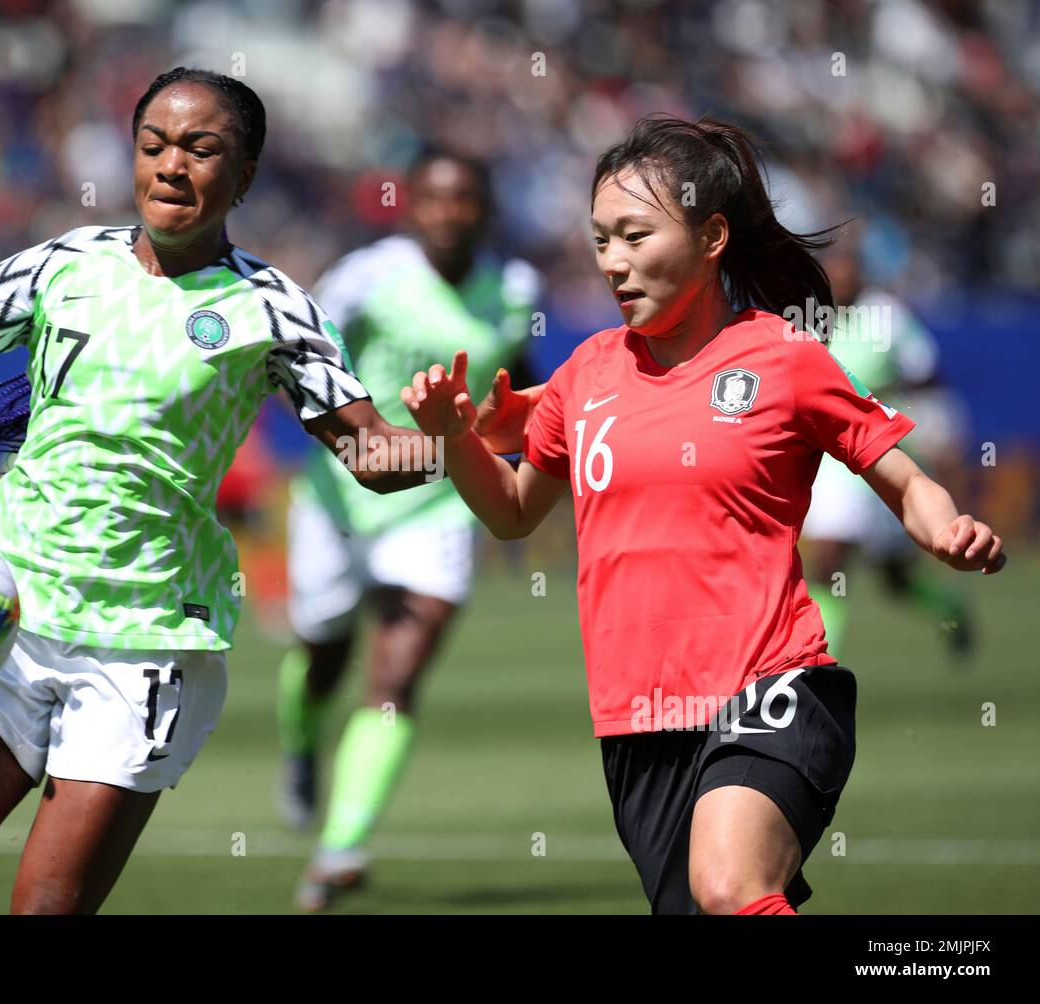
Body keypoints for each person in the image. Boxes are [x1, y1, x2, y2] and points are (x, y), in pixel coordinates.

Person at [0, 66, 438, 915]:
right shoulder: (60, 264)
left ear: (245, 176)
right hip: (3, 618)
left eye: (200, 149)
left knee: (45, 911)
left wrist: (454, 447)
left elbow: (370, 452)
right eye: (153, 146)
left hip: (143, 644)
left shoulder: (273, 309)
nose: (171, 167)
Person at [401, 115, 1005, 915]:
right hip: (638, 716)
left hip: (773, 685)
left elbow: (896, 471)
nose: (613, 261)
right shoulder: (588, 373)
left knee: (728, 889)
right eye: (600, 239)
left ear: (712, 234)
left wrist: (944, 527)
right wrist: (452, 439)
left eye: (635, 235)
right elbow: (513, 512)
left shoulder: (784, 358)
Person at [276, 148, 541, 911]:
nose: (448, 212)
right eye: (433, 197)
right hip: (340, 498)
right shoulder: (367, 278)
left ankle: (339, 848)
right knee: (325, 653)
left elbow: (515, 386)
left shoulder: (515, 288)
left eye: (464, 199)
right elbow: (300, 356)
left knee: (394, 680)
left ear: (485, 210)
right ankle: (301, 747)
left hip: (437, 503)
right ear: (409, 205)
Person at [801, 240, 975, 660]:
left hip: (872, 452)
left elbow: (928, 374)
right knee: (877, 575)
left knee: (834, 562)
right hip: (827, 458)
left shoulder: (887, 316)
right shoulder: (808, 316)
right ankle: (823, 661)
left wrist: (882, 397)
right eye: (833, 269)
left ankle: (819, 664)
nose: (841, 277)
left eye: (848, 267)